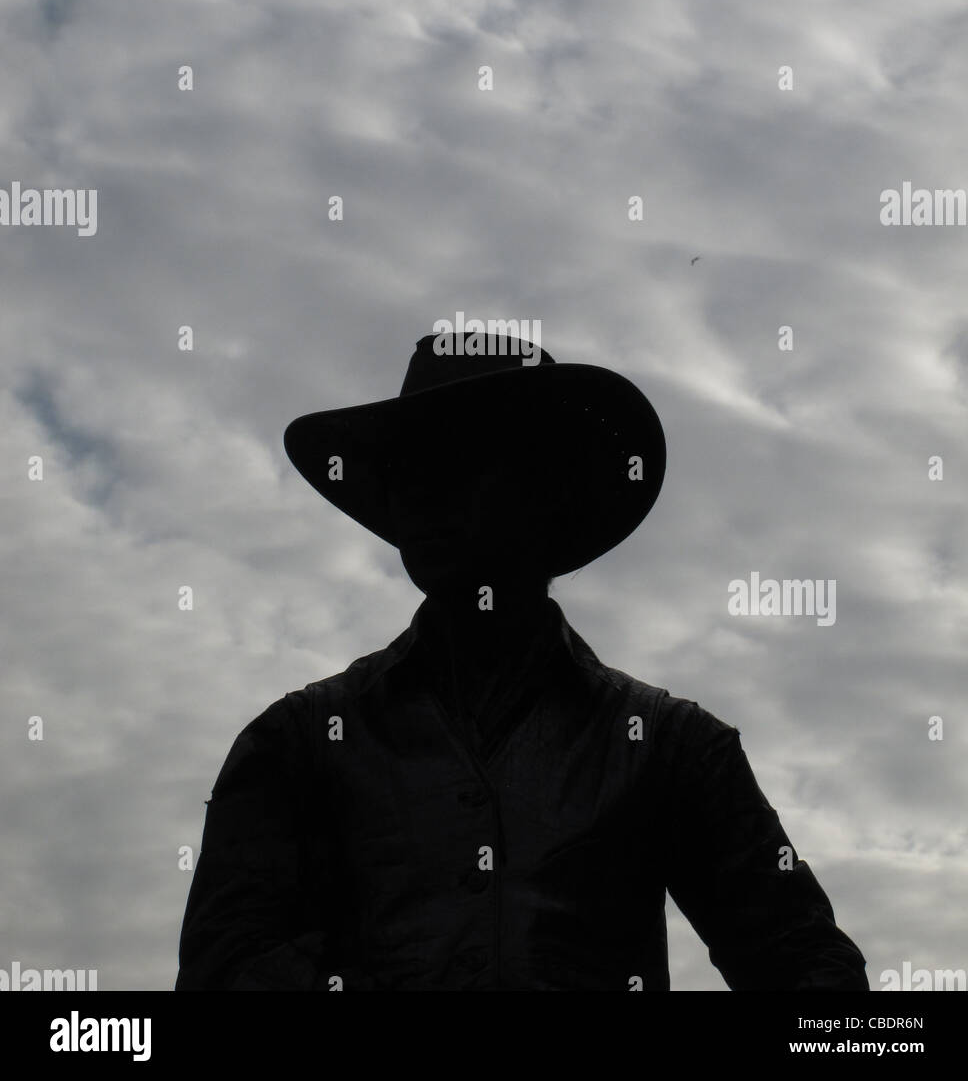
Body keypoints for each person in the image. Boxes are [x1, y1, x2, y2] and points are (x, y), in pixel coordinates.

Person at [174, 331, 869, 991]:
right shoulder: (294, 743)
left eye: (460, 461)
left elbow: (806, 965)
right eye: (408, 470)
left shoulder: (676, 749)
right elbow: (225, 968)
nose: (422, 495)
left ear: (547, 495)